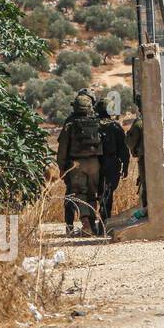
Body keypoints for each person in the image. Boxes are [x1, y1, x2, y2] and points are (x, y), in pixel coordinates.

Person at [56, 94, 102, 236]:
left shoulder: (70, 124)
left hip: (76, 164)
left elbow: (62, 148)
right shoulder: (96, 122)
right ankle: (94, 225)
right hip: (95, 163)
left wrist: (62, 166)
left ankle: (87, 226)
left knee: (79, 193)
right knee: (92, 194)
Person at [94, 96, 130, 234]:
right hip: (111, 163)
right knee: (107, 194)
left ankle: (93, 225)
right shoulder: (115, 126)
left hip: (94, 162)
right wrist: (125, 167)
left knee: (97, 193)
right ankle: (104, 224)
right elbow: (123, 149)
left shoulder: (92, 125)